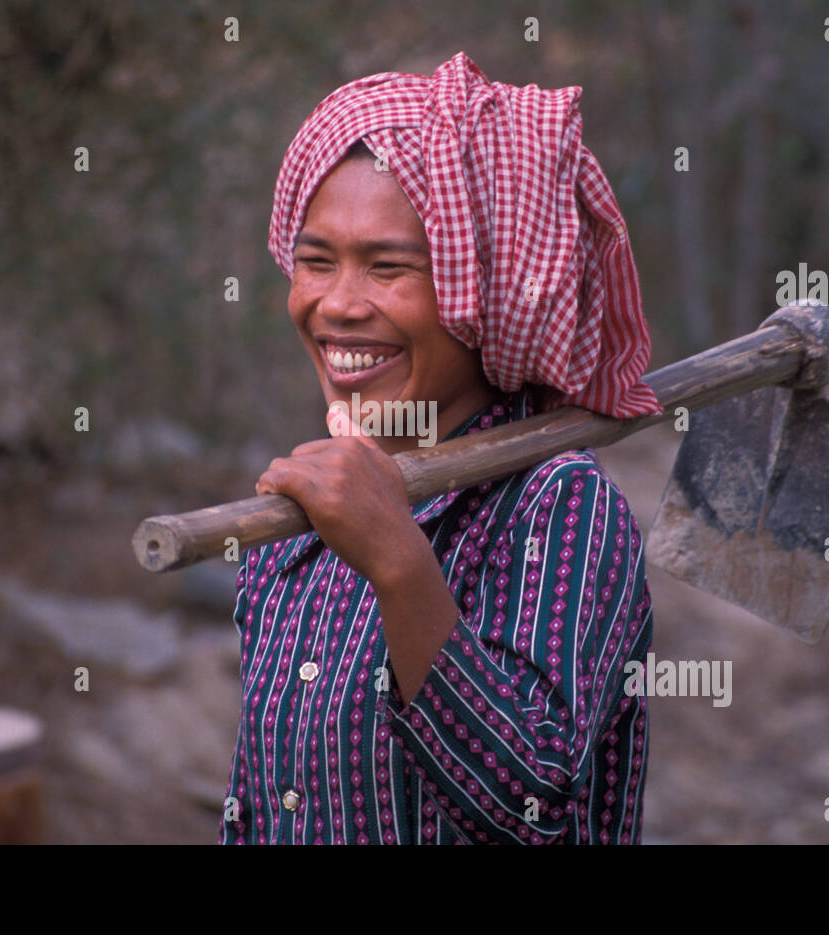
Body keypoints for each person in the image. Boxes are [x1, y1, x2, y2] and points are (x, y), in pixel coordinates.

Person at [220, 51, 660, 845]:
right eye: (316, 261)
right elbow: (259, 808)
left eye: (389, 268)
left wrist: (398, 562)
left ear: (485, 291)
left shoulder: (559, 506)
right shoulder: (294, 525)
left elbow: (533, 804)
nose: (338, 304)